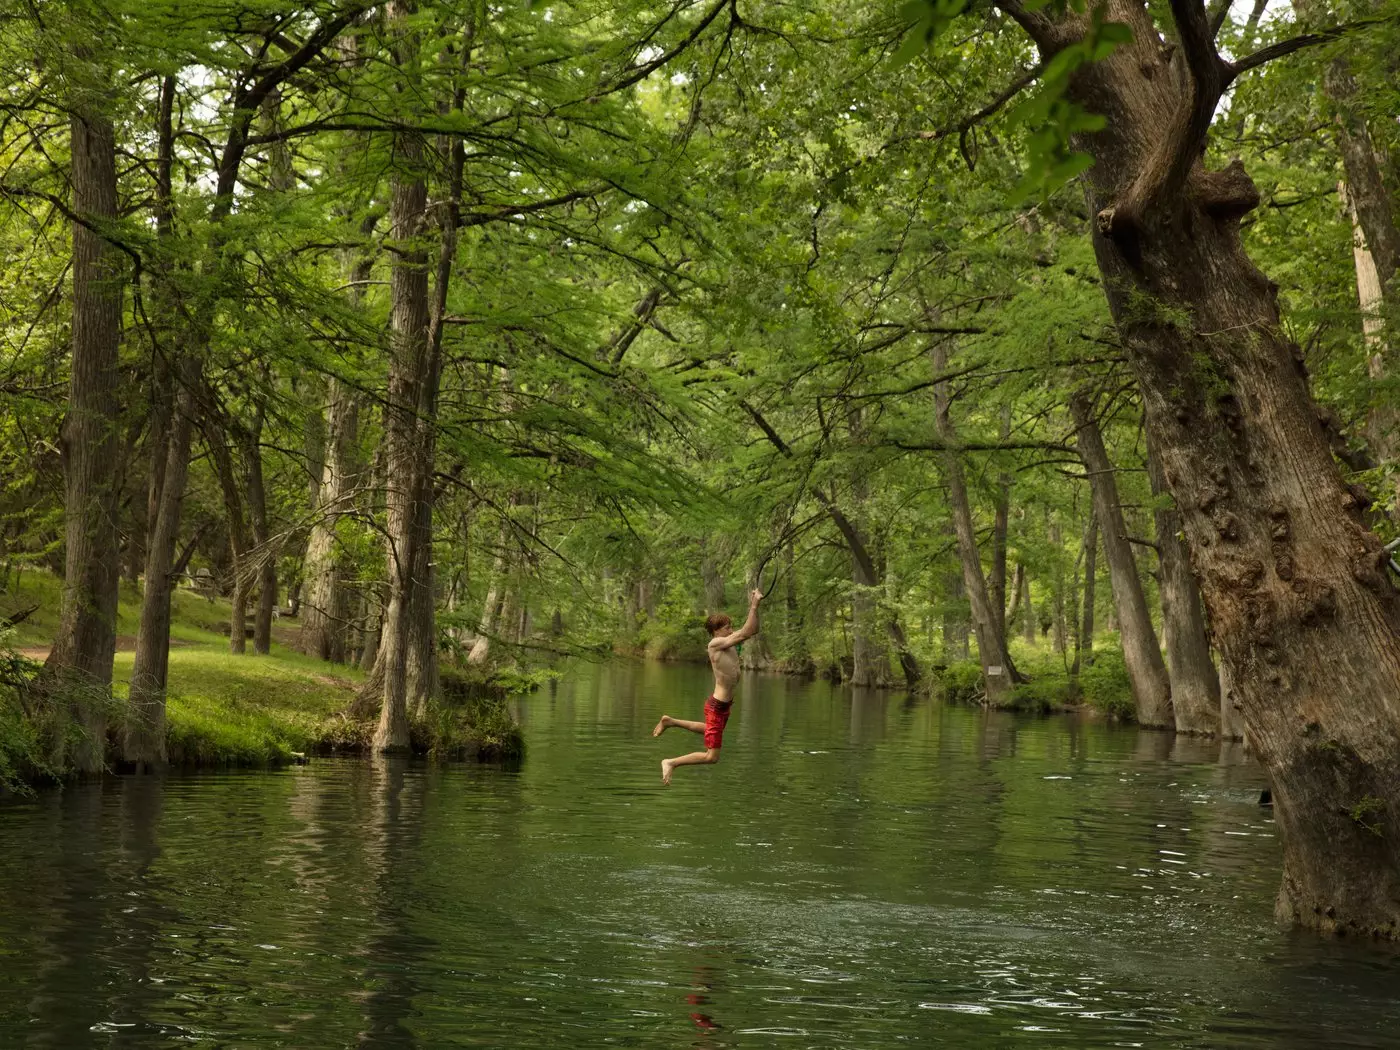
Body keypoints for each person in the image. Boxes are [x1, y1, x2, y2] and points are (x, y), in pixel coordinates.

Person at [653, 588, 762, 785]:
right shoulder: (716, 644)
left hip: (723, 705)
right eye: (727, 627)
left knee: (710, 730)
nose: (730, 630)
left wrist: (756, 607)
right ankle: (671, 762)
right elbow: (745, 632)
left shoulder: (726, 642)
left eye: (730, 627)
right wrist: (753, 605)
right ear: (716, 631)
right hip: (717, 706)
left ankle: (670, 721)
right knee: (712, 757)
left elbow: (752, 630)